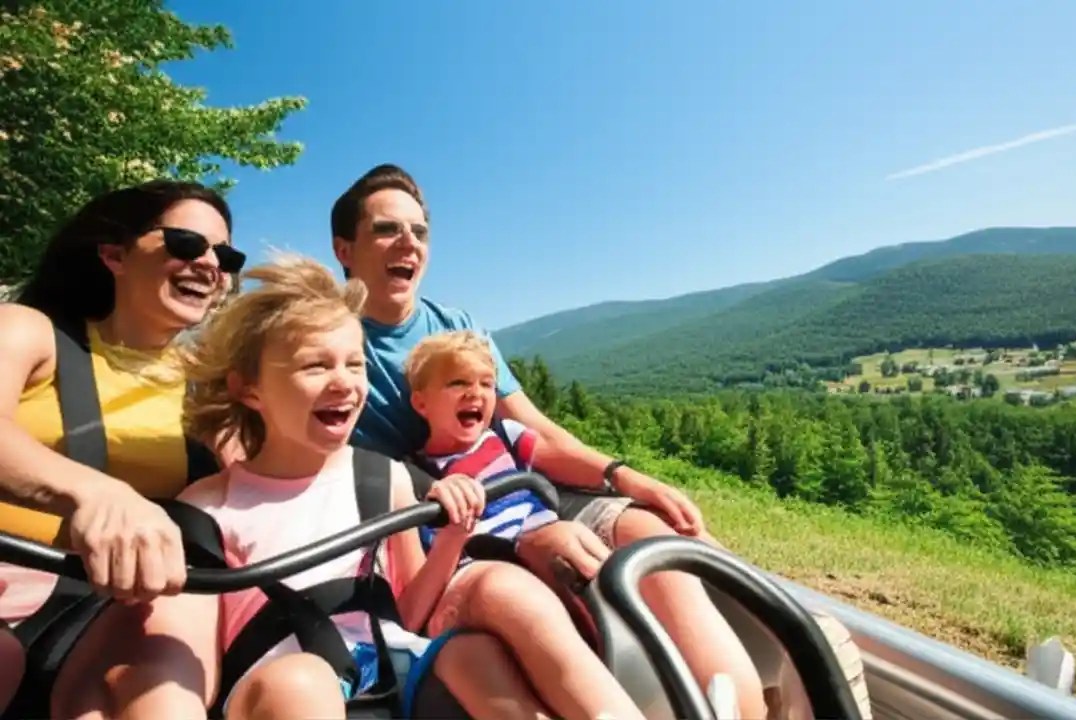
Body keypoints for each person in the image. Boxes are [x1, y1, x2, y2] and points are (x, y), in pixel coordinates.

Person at [329, 163, 766, 717]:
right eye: (388, 229)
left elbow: (532, 428)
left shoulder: (454, 324)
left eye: (419, 231)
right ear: (345, 250)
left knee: (646, 532)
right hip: (447, 526)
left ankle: (738, 696)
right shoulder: (336, 343)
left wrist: (621, 476)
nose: (409, 243)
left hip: (516, 490)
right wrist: (516, 544)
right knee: (542, 582)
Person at [168, 252, 645, 719]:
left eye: (355, 365)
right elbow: (193, 667)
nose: (343, 383)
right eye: (315, 366)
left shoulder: (382, 478)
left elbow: (409, 614)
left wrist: (453, 536)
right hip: (280, 685)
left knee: (472, 655)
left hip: (389, 665)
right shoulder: (208, 508)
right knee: (303, 682)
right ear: (249, 389)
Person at [406, 328, 770, 716]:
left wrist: (628, 479)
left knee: (618, 572)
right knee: (546, 608)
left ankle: (714, 687)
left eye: (486, 384)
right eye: (457, 383)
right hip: (498, 563)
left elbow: (556, 454)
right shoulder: (419, 477)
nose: (475, 393)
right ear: (420, 402)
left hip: (555, 542)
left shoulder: (505, 437)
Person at [0, 180, 242, 719]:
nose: (209, 264)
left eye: (224, 254)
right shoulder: (30, 332)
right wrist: (96, 494)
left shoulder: (210, 390)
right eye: (185, 243)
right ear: (114, 255)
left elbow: (260, 486)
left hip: (125, 613)